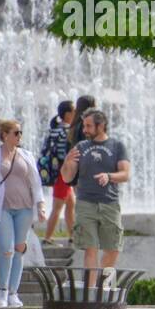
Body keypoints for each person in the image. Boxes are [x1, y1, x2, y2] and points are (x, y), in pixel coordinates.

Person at [0, 119, 46, 308]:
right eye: (16, 133)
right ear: (5, 135)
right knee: (6, 249)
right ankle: (3, 290)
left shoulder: (26, 155)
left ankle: (14, 293)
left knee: (18, 249)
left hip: (24, 209)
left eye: (20, 132)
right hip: (2, 209)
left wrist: (40, 206)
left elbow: (35, 182)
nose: (20, 136)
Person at [60, 108, 131, 278]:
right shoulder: (81, 147)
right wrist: (67, 163)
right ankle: (92, 292)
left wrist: (109, 176)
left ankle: (101, 281)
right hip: (85, 204)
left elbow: (125, 174)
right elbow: (66, 177)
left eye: (89, 126)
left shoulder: (117, 146)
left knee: (114, 249)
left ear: (101, 126)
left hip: (109, 203)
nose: (84, 130)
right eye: (84, 126)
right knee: (90, 249)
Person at [41, 100, 76, 244]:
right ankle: (47, 237)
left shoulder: (53, 129)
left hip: (55, 172)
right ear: (68, 114)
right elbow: (65, 154)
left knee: (70, 203)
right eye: (74, 112)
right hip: (63, 173)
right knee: (57, 206)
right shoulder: (67, 130)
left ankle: (73, 236)